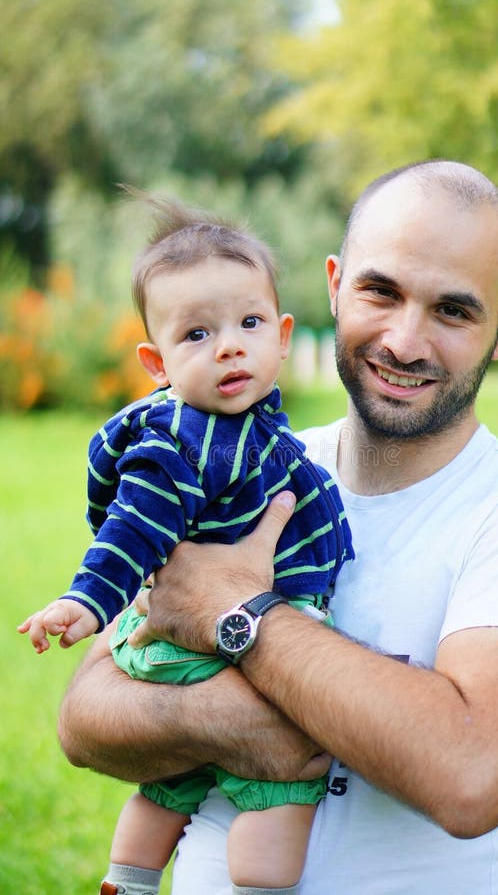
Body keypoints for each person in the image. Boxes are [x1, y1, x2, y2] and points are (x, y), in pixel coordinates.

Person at [58, 161, 498, 895]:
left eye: (453, 311)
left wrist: (234, 611)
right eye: (381, 292)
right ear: (336, 285)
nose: (405, 341)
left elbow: (470, 778)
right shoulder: (236, 467)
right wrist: (272, 719)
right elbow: (84, 720)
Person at [19, 195, 353, 895]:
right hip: (203, 646)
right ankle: (260, 884)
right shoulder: (185, 441)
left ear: (282, 336)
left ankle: (129, 878)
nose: (228, 346)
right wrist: (86, 602)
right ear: (157, 362)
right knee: (283, 785)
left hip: (177, 650)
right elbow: (132, 528)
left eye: (248, 323)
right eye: (197, 334)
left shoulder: (252, 427)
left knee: (169, 784)